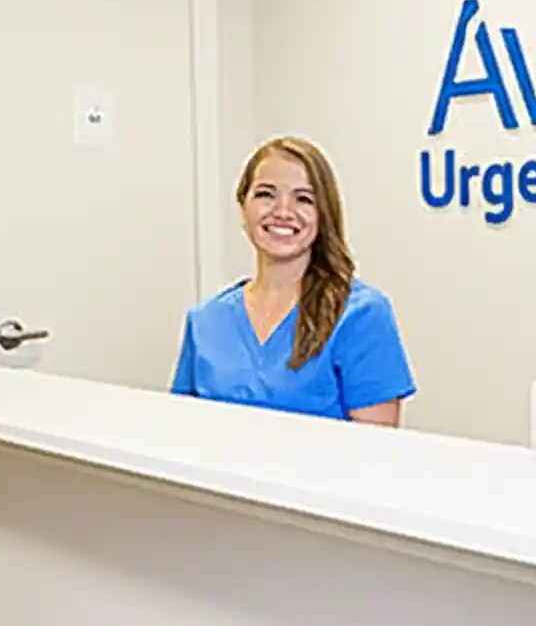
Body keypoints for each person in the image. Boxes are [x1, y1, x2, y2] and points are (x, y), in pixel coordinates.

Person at [171, 136, 416, 426]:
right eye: (265, 194)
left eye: (304, 199)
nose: (283, 211)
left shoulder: (361, 315)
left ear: (323, 215)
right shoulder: (206, 321)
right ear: (242, 208)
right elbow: (183, 433)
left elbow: (378, 451)